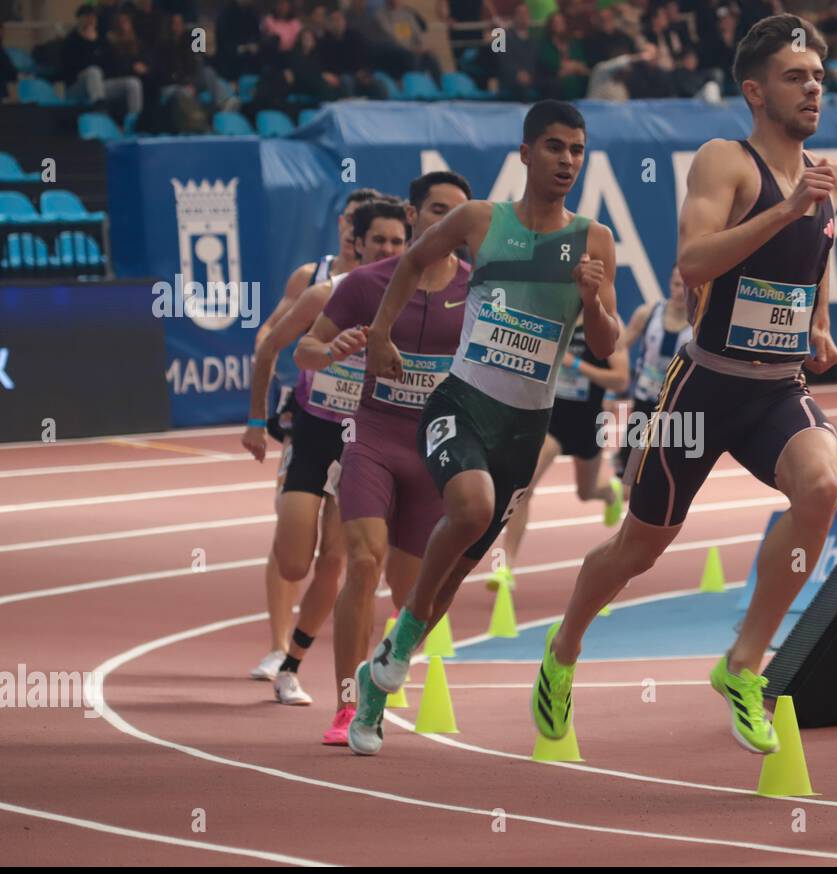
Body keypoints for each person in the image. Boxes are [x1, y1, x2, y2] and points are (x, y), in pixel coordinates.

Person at [534, 14, 837, 755]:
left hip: (776, 387)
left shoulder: (822, 178)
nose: (813, 89)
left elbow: (814, 259)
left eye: (820, 78)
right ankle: (565, 648)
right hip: (701, 392)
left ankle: (744, 664)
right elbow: (697, 261)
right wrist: (788, 205)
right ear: (754, 90)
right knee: (639, 548)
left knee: (823, 490)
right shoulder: (725, 160)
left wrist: (822, 324)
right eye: (796, 76)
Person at [348, 100, 620, 755]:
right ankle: (403, 639)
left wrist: (591, 298)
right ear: (525, 153)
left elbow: (607, 345)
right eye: (554, 147)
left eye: (577, 151)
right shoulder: (479, 221)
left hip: (524, 431)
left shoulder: (593, 241)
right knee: (471, 507)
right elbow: (411, 263)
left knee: (443, 592)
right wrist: (381, 334)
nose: (567, 161)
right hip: (462, 403)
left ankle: (375, 685)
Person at [295, 173, 471, 732]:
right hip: (371, 436)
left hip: (435, 447)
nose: (448, 221)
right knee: (363, 560)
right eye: (437, 209)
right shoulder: (365, 284)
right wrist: (333, 348)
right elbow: (305, 348)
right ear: (414, 216)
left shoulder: (480, 288)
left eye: (459, 213)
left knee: (412, 591)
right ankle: (347, 703)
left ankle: (381, 674)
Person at [250, 200, 411, 728]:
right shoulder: (325, 291)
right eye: (379, 241)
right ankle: (289, 650)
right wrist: (256, 420)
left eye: (397, 242)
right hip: (315, 429)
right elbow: (274, 347)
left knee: (341, 560)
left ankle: (294, 666)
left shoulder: (411, 301)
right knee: (296, 560)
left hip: (363, 436)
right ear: (356, 243)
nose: (387, 250)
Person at [496, 316, 628, 589]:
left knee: (586, 491)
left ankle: (610, 492)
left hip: (587, 421)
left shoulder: (607, 323)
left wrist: (577, 365)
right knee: (525, 486)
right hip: (552, 420)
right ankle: (505, 565)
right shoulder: (555, 314)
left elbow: (620, 381)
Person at [612, 265, 692, 482]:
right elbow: (620, 348)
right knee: (627, 471)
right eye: (676, 284)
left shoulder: (699, 324)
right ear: (669, 283)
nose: (679, 291)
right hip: (644, 401)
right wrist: (611, 392)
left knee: (665, 471)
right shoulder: (647, 314)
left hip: (678, 407)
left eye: (685, 286)